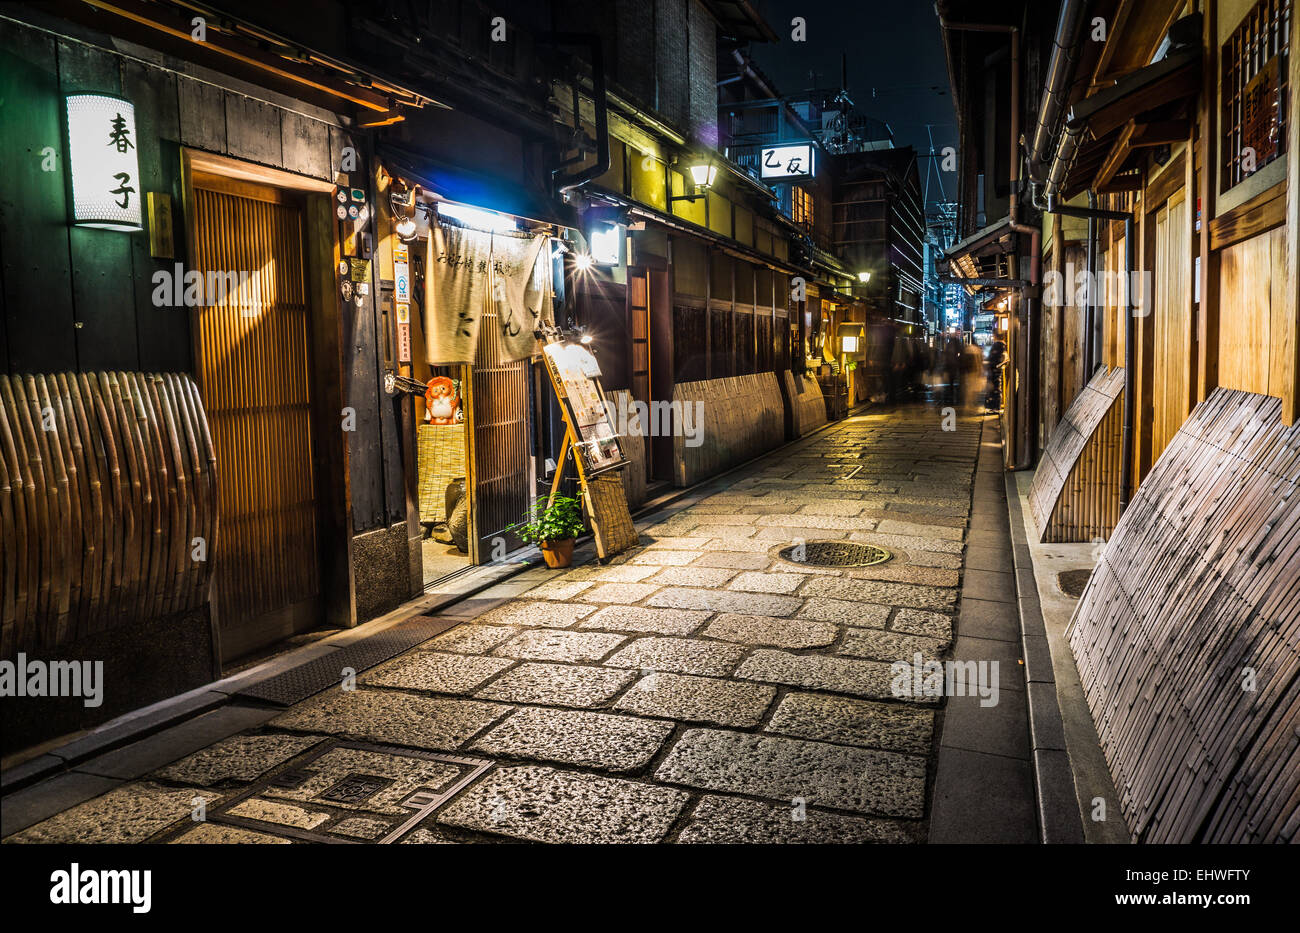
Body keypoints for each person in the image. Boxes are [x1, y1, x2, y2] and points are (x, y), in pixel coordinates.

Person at [986, 340, 1007, 410]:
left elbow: (990, 360)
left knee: (995, 389)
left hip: (994, 373)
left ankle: (994, 406)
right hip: (996, 372)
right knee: (996, 389)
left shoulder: (996, 350)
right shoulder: (1002, 351)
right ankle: (995, 406)